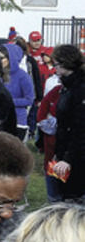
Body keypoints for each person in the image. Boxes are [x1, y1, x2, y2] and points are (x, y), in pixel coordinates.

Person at [51, 43, 84, 201]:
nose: (54, 69)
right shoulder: (67, 87)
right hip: (65, 150)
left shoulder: (79, 89)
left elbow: (80, 127)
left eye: (55, 64)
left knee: (74, 199)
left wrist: (68, 158)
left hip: (77, 156)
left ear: (65, 64)